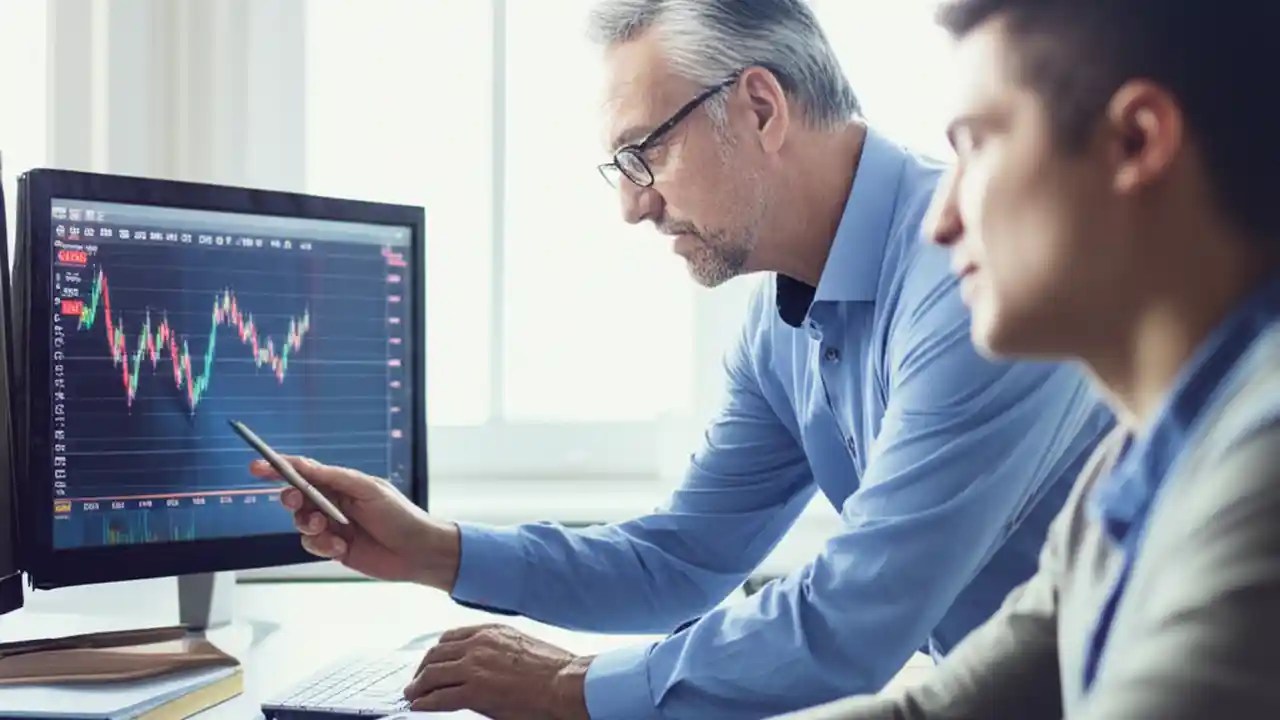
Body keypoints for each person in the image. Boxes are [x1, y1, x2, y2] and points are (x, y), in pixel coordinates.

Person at [253, 1, 1110, 718]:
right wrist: (435, 550)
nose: (634, 205)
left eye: (646, 152)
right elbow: (683, 560)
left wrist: (568, 685)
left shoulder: (967, 276)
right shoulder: (780, 326)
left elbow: (855, 622)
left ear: (762, 109)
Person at [774, 1, 1280, 718]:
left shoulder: (1264, 467)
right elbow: (938, 711)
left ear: (1135, 142)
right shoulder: (1131, 466)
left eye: (977, 146)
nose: (940, 218)